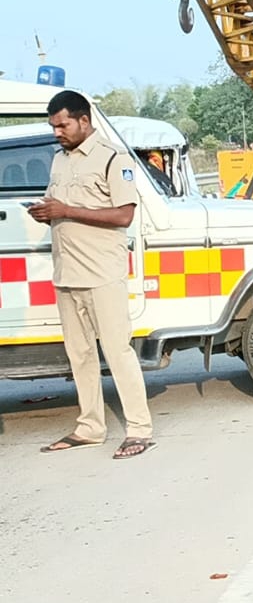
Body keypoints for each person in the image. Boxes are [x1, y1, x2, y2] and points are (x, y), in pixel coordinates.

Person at [30, 90, 156, 459]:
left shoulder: (111, 160)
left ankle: (139, 429)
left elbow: (123, 216)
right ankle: (90, 427)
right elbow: (64, 209)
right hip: (67, 274)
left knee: (117, 352)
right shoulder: (59, 161)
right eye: (53, 126)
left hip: (102, 273)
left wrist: (66, 209)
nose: (57, 132)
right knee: (80, 355)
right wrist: (47, 211)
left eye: (63, 125)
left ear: (84, 121)